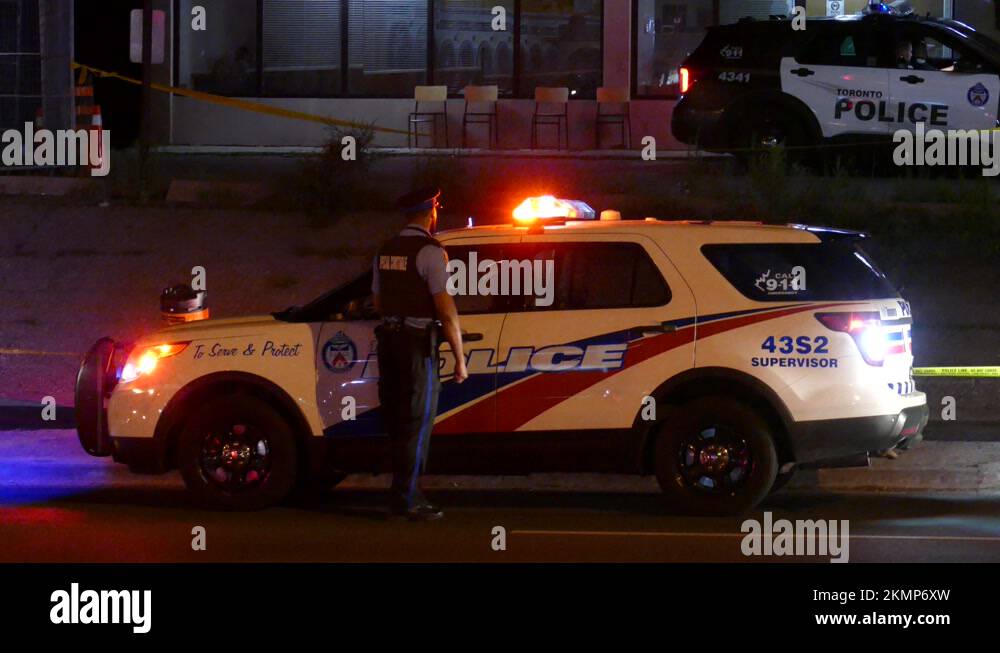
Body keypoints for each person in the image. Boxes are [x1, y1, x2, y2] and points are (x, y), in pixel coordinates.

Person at [372, 187, 469, 521]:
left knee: (399, 422)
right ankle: (408, 499)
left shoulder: (385, 250)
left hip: (389, 345)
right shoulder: (430, 252)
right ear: (431, 213)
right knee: (418, 422)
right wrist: (460, 357)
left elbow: (378, 303)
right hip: (416, 348)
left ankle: (401, 492)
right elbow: (446, 310)